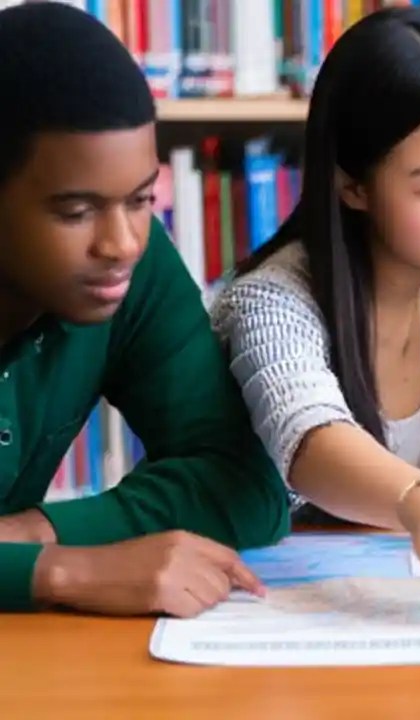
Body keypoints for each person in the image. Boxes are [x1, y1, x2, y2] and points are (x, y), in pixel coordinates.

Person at [211, 7, 420, 611]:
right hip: (249, 616)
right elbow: (309, 438)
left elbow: (397, 513)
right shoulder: (269, 301)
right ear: (353, 185)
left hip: (368, 611)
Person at [0, 3, 290, 615]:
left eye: (140, 200)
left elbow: (246, 485)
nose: (123, 243)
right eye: (75, 211)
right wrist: (63, 572)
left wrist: (39, 533)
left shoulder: (132, 268)